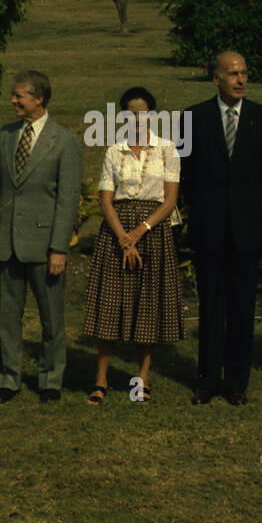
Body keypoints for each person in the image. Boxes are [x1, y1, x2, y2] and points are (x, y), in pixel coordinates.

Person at [0, 70, 83, 403]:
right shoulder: (5, 134)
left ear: (39, 98)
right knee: (8, 316)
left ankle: (51, 380)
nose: (12, 101)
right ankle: (7, 379)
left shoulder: (65, 141)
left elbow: (68, 200)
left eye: (18, 95)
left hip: (45, 246)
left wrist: (58, 249)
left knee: (52, 318)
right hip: (6, 242)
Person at [180, 51, 262, 405]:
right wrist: (208, 207)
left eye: (244, 73)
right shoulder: (192, 118)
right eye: (233, 74)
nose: (240, 80)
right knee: (211, 305)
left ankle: (236, 382)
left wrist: (243, 206)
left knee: (242, 306)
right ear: (216, 79)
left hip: (246, 228)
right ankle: (206, 380)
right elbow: (185, 173)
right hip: (208, 227)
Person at [81, 86, 184, 405]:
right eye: (130, 114)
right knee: (109, 307)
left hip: (153, 230)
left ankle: (142, 382)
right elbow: (106, 199)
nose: (136, 119)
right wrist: (124, 238)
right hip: (116, 232)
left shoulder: (167, 149)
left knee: (148, 307)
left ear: (152, 115)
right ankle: (100, 381)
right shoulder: (115, 150)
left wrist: (139, 231)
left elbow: (170, 200)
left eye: (142, 113)